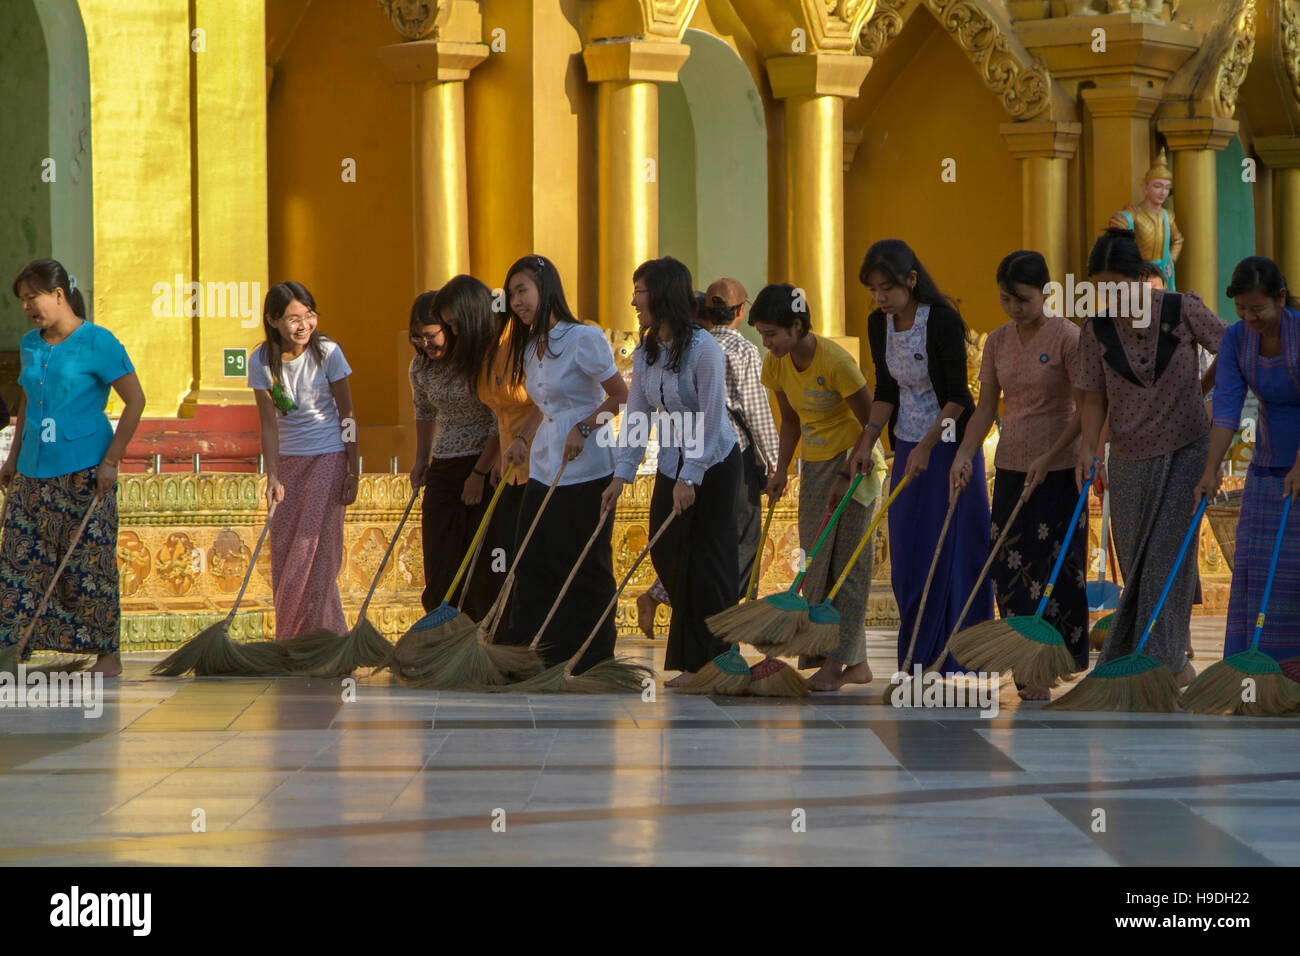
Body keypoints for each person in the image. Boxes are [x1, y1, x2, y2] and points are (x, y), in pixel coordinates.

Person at [1075, 227, 1225, 687]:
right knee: (1136, 558)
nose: (1110, 296)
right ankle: (1164, 664)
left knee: (1167, 559)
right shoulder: (1095, 328)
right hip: (1128, 457)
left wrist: (1205, 393)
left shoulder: (1182, 308)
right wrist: (1089, 449)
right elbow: (1093, 397)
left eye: (1117, 286)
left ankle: (1159, 665)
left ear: (1141, 277)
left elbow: (1236, 349)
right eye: (1101, 288)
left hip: (1187, 449)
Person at [951, 250, 1087, 699]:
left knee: (1053, 569)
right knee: (1010, 567)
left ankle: (1048, 667)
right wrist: (965, 454)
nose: (1013, 308)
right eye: (1005, 299)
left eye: (1022, 300)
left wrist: (1050, 455)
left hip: (1059, 469)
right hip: (1011, 467)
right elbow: (988, 406)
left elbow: (1084, 409)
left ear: (1046, 293)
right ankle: (1024, 669)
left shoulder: (1068, 336)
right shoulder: (997, 341)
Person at [1, 259, 146, 677]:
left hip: (85, 469)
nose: (28, 307)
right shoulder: (31, 343)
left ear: (59, 294)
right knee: (19, 562)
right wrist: (12, 459)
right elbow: (28, 399)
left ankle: (108, 656)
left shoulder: (98, 342)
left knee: (88, 563)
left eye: (33, 297)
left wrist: (112, 460)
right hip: (32, 470)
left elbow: (135, 400)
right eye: (23, 301)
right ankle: (15, 651)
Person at [603, 257, 741, 688]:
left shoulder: (704, 349)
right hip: (671, 460)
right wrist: (622, 472)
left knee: (710, 564)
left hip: (714, 462)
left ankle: (713, 663)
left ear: (662, 294)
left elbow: (711, 415)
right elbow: (639, 413)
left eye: (639, 291)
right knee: (668, 553)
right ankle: (695, 659)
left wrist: (692, 475)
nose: (633, 301)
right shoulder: (647, 351)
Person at [856, 238, 993, 674]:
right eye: (874, 290)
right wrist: (867, 441)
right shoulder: (880, 324)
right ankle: (915, 654)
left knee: (949, 547)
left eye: (888, 289)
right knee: (908, 551)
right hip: (909, 447)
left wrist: (930, 448)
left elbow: (957, 397)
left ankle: (952, 658)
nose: (880, 298)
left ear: (912, 281)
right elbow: (885, 390)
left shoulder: (942, 322)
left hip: (950, 445)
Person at [755, 283, 886, 691]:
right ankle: (854, 662)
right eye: (762, 335)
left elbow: (871, 426)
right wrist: (781, 470)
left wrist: (849, 471)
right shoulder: (776, 363)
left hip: (856, 463)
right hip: (814, 467)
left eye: (773, 333)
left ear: (798, 326)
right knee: (816, 567)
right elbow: (791, 420)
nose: (768, 342)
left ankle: (836, 665)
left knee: (847, 565)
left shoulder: (835, 362)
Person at [502, 255, 627, 672]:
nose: (516, 302)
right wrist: (523, 436)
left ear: (545, 287)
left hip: (587, 466)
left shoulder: (582, 338)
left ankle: (591, 656)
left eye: (522, 290)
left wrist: (586, 426)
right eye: (511, 294)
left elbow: (619, 397)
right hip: (544, 465)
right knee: (534, 556)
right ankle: (539, 651)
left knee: (584, 561)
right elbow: (544, 404)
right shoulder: (531, 345)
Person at [635, 277, 781, 635]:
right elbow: (755, 411)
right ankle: (721, 625)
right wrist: (776, 462)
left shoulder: (698, 345)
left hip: (699, 456)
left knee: (698, 546)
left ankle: (710, 627)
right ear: (740, 311)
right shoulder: (732, 349)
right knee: (734, 546)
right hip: (728, 457)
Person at [1195, 256, 1300, 662]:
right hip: (1268, 465)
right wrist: (1211, 470)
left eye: (1258, 309)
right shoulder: (1237, 338)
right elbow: (1226, 407)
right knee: (1258, 571)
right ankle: (1256, 666)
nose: (1249, 317)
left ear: (1280, 298)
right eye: (1241, 309)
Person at [250, 281, 358, 640]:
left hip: (328, 455)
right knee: (285, 548)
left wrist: (352, 467)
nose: (304, 325)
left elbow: (347, 414)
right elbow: (268, 424)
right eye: (294, 318)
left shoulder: (327, 352)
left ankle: (326, 636)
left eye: (309, 316)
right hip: (289, 462)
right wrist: (273, 475)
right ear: (273, 320)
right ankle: (292, 637)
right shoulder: (261, 360)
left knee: (316, 549)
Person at [408, 279, 498, 620]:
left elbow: (497, 419)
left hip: (482, 464)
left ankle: (477, 629)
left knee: (479, 554)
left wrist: (479, 473)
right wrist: (421, 459)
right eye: (418, 337)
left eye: (432, 335)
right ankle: (440, 628)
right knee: (439, 553)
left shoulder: (480, 361)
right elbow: (424, 410)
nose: (425, 343)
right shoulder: (420, 367)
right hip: (443, 464)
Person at [477, 275, 536, 625]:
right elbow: (500, 411)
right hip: (509, 466)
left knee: (530, 555)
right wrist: (501, 454)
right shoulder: (488, 351)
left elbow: (541, 402)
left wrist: (522, 441)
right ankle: (507, 627)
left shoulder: (528, 344)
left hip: (542, 462)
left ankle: (528, 631)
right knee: (504, 553)